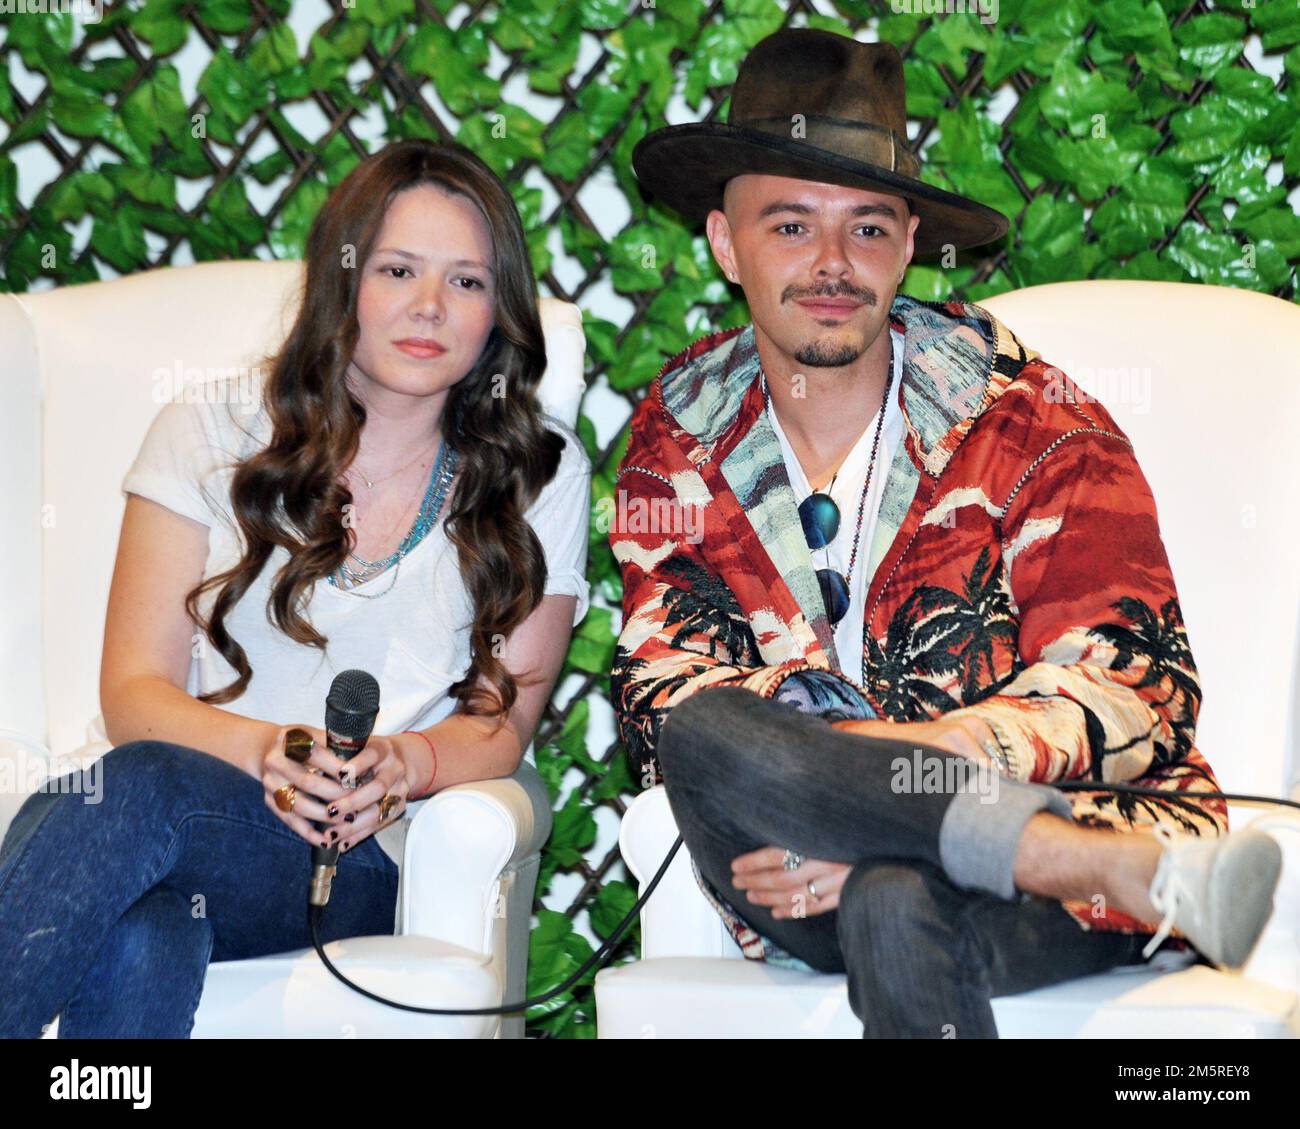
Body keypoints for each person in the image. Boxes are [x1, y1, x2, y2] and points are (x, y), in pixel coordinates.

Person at [610, 29, 1283, 1038]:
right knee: (701, 730)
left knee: (890, 889)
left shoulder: (1032, 416)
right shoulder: (677, 433)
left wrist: (901, 780)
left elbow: (1136, 682)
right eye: (789, 226)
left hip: (1057, 872)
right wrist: (848, 794)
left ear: (910, 245)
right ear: (722, 239)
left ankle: (1046, 854)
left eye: (869, 229)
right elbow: (662, 684)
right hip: (799, 859)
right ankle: (1069, 854)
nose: (833, 264)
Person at [0, 139, 591, 1038]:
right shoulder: (211, 426)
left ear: (497, 310)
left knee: (135, 797)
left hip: (354, 860)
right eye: (397, 270)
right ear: (343, 279)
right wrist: (268, 751)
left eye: (468, 282)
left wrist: (404, 764)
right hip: (165, 816)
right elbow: (133, 691)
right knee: (141, 924)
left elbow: (499, 724)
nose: (430, 307)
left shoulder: (538, 471)